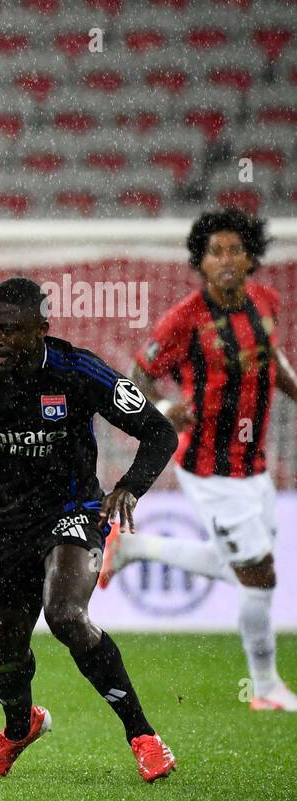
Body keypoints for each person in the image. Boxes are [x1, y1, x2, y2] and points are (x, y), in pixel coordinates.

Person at [0, 277, 180, 782]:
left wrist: (129, 486)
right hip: (1, 525)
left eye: (9, 329)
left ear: (41, 330)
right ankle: (20, 727)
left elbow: (159, 430)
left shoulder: (78, 370)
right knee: (7, 651)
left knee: (65, 614)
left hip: (73, 510)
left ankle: (144, 736)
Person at [100, 209, 297, 712]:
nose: (227, 259)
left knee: (243, 569)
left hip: (254, 467)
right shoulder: (183, 321)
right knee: (259, 574)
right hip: (209, 469)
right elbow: (132, 386)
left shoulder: (267, 303)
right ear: (200, 262)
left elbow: (271, 361)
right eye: (216, 251)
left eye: (236, 249)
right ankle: (266, 687)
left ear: (252, 256)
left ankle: (134, 551)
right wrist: (165, 409)